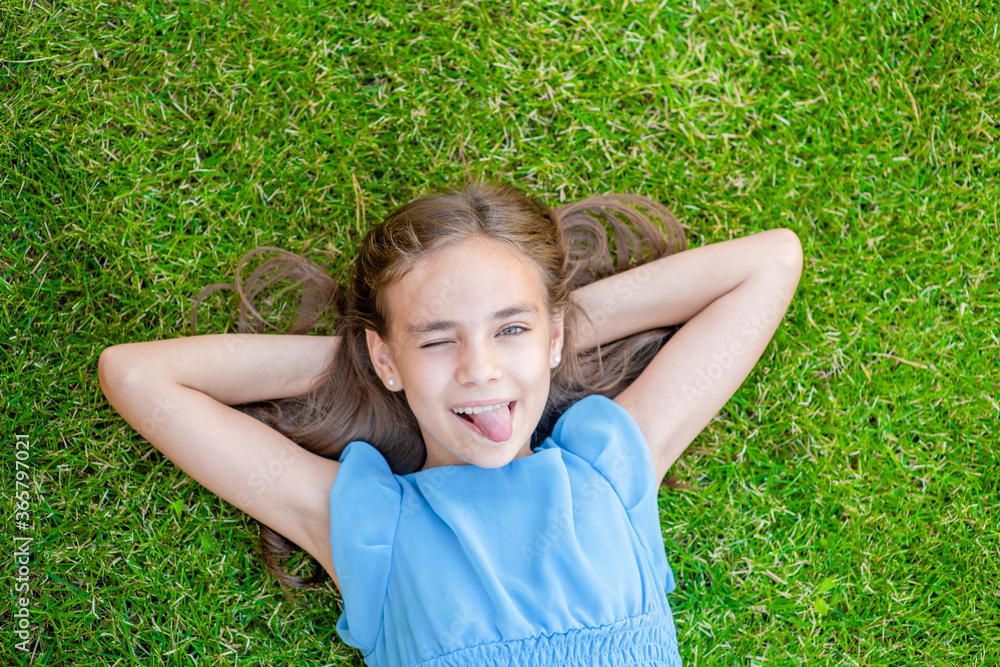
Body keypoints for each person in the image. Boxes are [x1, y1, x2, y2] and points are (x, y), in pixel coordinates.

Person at [98, 180, 803, 666]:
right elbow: (137, 374)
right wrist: (371, 360)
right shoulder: (369, 525)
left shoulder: (610, 472)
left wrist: (548, 335)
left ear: (552, 335)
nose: (479, 369)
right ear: (388, 355)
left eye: (510, 330)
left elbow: (772, 261)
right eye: (437, 340)